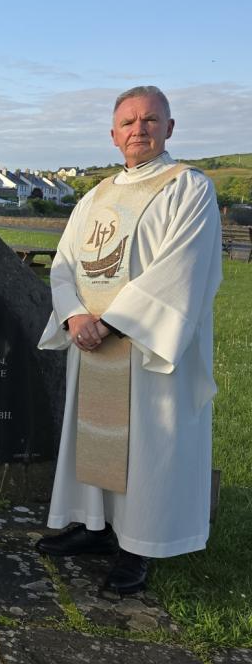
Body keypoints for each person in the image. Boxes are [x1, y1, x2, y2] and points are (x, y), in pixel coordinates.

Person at [35, 86, 222, 594]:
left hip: (148, 344)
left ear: (169, 127)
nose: (139, 129)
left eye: (150, 120)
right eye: (129, 122)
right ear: (114, 134)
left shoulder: (189, 188)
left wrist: (112, 323)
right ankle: (95, 526)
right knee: (96, 438)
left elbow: (180, 270)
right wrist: (75, 317)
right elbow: (65, 265)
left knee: (149, 442)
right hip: (92, 345)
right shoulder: (95, 197)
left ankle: (138, 545)